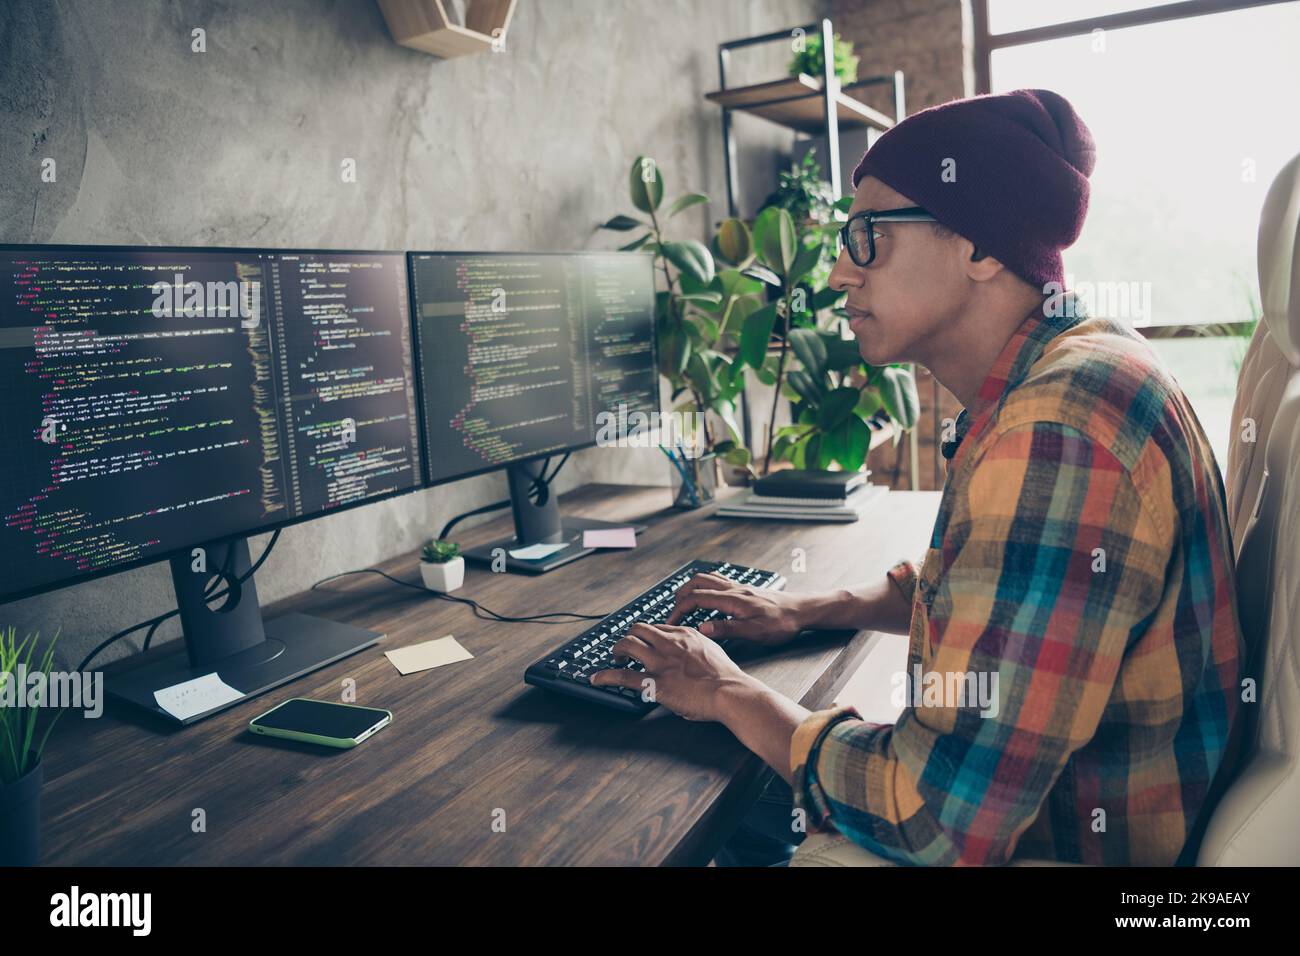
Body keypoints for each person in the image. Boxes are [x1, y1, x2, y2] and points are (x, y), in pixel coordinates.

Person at [591, 89, 1244, 866]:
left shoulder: (1058, 433)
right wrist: (806, 611)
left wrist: (727, 690)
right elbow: (990, 585)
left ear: (980, 247)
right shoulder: (1079, 363)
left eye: (867, 235)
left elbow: (931, 819)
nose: (839, 272)